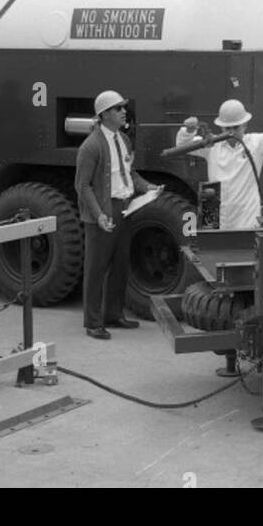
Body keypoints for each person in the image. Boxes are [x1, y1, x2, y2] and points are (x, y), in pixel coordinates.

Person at [75, 90, 155, 339]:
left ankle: (114, 314)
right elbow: (83, 185)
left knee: (120, 265)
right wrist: (98, 214)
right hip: (104, 211)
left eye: (123, 107)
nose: (123, 112)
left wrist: (148, 187)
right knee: (96, 268)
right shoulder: (91, 146)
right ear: (105, 114)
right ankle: (93, 322)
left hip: (124, 209)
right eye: (118, 108)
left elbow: (129, 174)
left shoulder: (123, 140)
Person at [176, 95, 263, 230]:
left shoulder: (256, 144)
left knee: (246, 252)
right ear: (221, 128)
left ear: (245, 125)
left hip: (246, 219)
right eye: (227, 128)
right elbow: (182, 146)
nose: (231, 132)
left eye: (235, 127)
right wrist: (188, 131)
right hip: (215, 217)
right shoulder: (212, 146)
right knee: (215, 253)